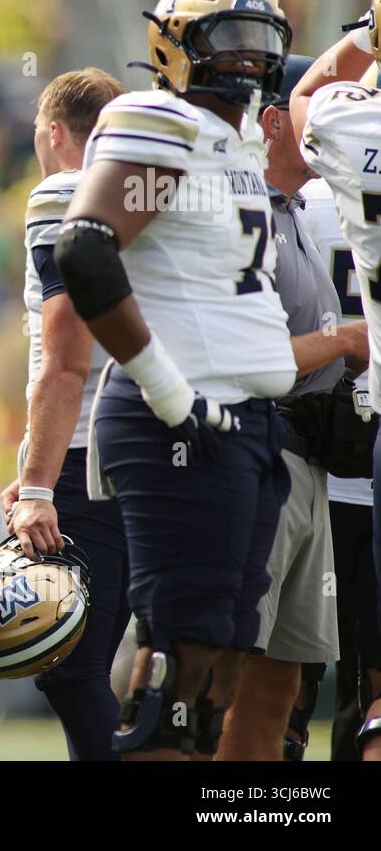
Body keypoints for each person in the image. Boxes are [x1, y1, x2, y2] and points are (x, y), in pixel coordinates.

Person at [54, 0, 296, 760]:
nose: (246, 58)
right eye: (227, 38)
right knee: (174, 669)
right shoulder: (161, 117)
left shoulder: (234, 139)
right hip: (186, 418)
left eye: (261, 42)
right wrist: (170, 393)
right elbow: (86, 251)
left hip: (245, 421)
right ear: (175, 45)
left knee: (222, 659)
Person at [217, 54, 368, 760]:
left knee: (283, 679)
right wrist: (342, 340)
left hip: (315, 461)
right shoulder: (242, 204)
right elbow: (251, 352)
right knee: (225, 670)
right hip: (264, 446)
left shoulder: (300, 209)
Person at [0, 67, 131, 761]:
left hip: (90, 458)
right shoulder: (149, 194)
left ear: (53, 132)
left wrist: (40, 480)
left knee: (70, 663)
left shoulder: (61, 191)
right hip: (160, 452)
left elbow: (65, 354)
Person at [290, 0, 381, 758]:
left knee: (286, 676)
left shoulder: (315, 190)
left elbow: (312, 93)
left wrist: (368, 32)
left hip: (330, 450)